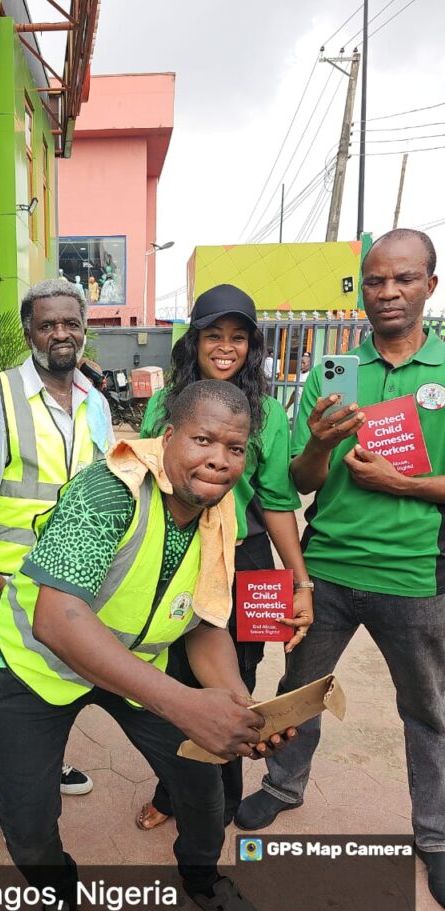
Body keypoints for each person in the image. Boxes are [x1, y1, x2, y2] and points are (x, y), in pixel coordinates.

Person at [0, 379, 297, 911]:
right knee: (28, 825)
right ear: (168, 435)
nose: (219, 460)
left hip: (136, 672)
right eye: (203, 439)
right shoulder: (110, 490)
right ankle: (58, 903)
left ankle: (203, 880)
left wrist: (237, 704)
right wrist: (185, 705)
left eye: (235, 448)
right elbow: (56, 619)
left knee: (204, 796)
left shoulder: (218, 513)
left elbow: (205, 624)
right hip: (39, 667)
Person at [235, 228, 445, 910]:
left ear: (429, 286)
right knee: (300, 690)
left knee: (428, 711)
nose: (389, 293)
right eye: (376, 281)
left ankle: (437, 836)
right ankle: (282, 787)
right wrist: (320, 444)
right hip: (326, 567)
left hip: (415, 572)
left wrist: (405, 485)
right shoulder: (334, 372)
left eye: (404, 279)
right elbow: (296, 479)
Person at [137, 284, 313, 829]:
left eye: (239, 337)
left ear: (252, 346)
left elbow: (279, 501)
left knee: (237, 679)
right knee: (175, 673)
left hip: (249, 563)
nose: (226, 347)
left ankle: (223, 799)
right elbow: (144, 477)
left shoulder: (269, 415)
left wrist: (300, 582)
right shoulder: (165, 406)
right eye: (214, 334)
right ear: (195, 339)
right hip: (179, 555)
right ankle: (174, 792)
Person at [0, 277, 114, 796]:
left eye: (71, 324)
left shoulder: (94, 400)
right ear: (30, 331)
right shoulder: (0, 393)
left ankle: (45, 765)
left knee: (58, 673)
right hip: (13, 573)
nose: (61, 332)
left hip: (74, 572)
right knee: (12, 683)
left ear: (83, 331)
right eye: (48, 324)